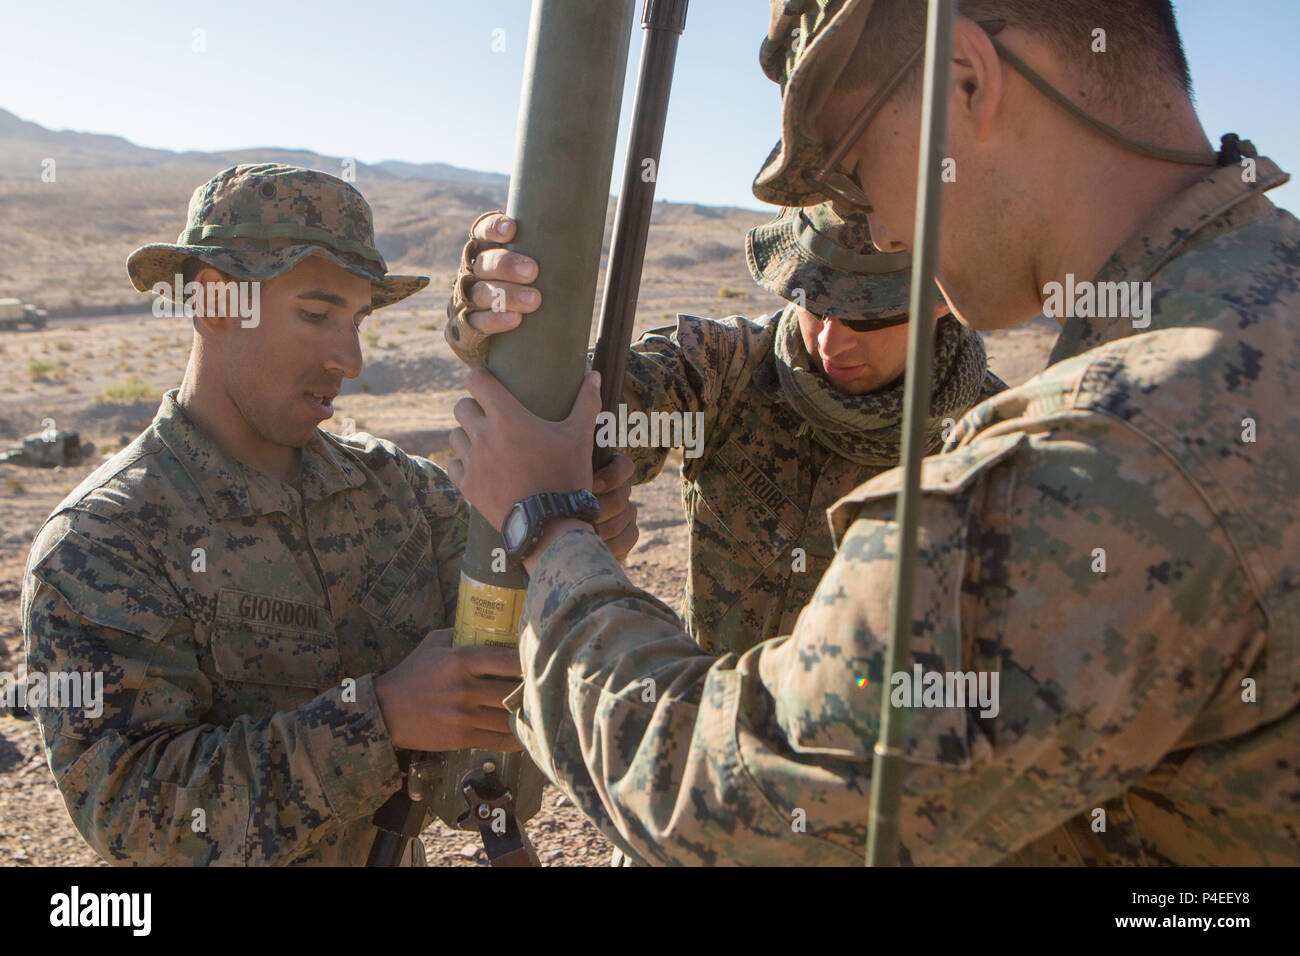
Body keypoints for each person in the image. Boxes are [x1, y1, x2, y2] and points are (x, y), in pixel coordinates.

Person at [444, 0, 1300, 865]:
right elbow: (600, 406)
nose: (884, 231)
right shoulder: (1259, 311)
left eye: (854, 168)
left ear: (967, 79)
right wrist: (509, 329)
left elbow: (740, 809)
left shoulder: (1089, 455)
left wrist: (547, 528)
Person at [20, 163, 631, 866]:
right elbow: (131, 812)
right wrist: (381, 719)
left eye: (357, 319)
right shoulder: (104, 540)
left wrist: (565, 537)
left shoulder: (401, 495)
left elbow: (506, 635)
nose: (351, 357)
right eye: (316, 315)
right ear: (219, 304)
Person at [447, 202, 1004, 656]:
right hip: (709, 744)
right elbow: (596, 415)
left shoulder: (994, 441)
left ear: (942, 301)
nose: (833, 342)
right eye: (812, 304)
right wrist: (516, 341)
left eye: (868, 317)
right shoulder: (729, 367)